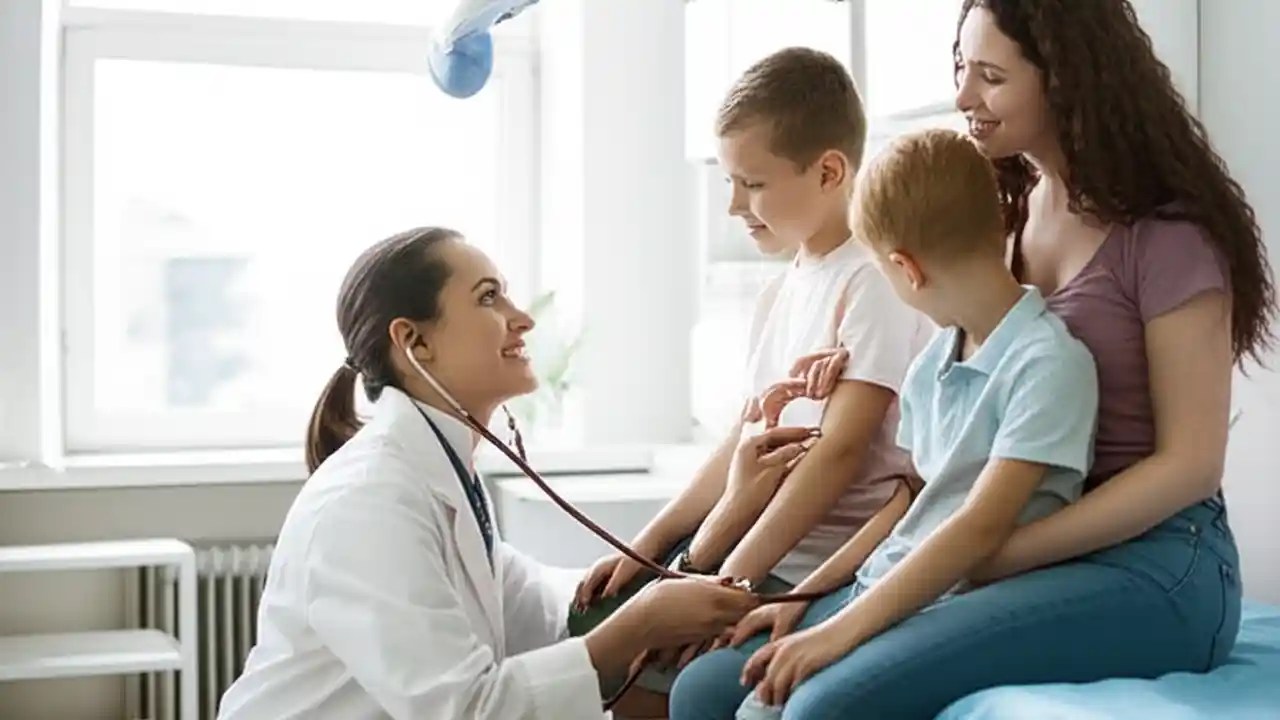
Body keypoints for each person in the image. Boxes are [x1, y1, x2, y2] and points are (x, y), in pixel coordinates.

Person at [670, 1, 1275, 718]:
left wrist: (998, 553)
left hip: (1154, 564)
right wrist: (813, 597)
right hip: (998, 533)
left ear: (1069, 80)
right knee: (708, 688)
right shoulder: (1007, 219)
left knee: (816, 706)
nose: (963, 98)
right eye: (961, 68)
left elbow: (1190, 466)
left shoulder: (1167, 239)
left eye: (990, 76)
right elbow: (941, 467)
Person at [216, 227, 761, 720]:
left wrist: (684, 553)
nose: (521, 318)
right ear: (415, 343)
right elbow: (466, 709)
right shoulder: (368, 502)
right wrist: (641, 623)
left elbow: (547, 613)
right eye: (487, 297)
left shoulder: (443, 474)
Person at [570, 46, 931, 711]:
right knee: (598, 624)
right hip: (763, 546)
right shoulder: (784, 288)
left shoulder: (872, 280)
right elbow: (741, 440)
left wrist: (735, 582)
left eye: (754, 183)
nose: (735, 205)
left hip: (816, 565)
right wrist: (645, 550)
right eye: (729, 182)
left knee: (677, 676)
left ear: (829, 171)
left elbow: (841, 454)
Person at [717, 128, 1102, 719]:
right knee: (709, 691)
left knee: (785, 710)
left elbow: (977, 525)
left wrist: (836, 633)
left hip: (965, 597)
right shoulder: (935, 362)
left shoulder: (1049, 364)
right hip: (891, 579)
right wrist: (807, 597)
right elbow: (910, 504)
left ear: (905, 268)